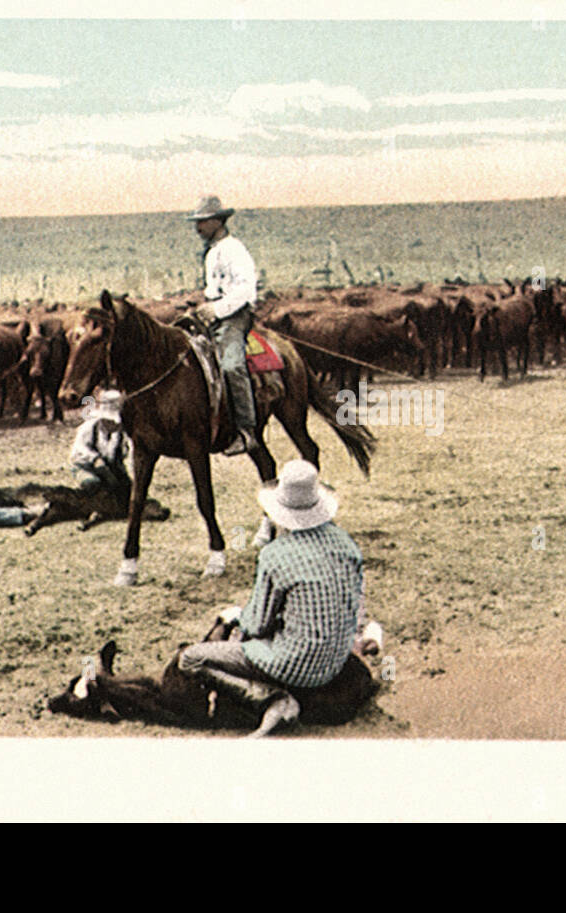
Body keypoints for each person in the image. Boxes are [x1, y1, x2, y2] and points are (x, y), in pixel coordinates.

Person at [178, 460, 364, 737]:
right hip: (334, 662)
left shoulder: (275, 555)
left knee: (191, 658)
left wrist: (237, 616)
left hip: (291, 663)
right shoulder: (348, 544)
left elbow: (257, 626)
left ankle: (269, 698)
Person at [185, 194, 261, 457]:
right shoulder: (212, 251)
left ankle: (246, 431)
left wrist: (215, 309)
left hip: (234, 316)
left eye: (203, 222)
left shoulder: (234, 249)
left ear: (218, 221)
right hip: (214, 313)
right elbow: (213, 289)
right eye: (197, 222)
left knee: (231, 365)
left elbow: (245, 289)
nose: (198, 228)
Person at [70, 389, 130, 499]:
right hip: (86, 467)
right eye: (109, 421)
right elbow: (78, 452)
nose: (113, 425)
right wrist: (95, 459)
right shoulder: (89, 428)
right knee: (92, 483)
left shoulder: (120, 434)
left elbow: (124, 454)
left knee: (126, 488)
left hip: (109, 468)